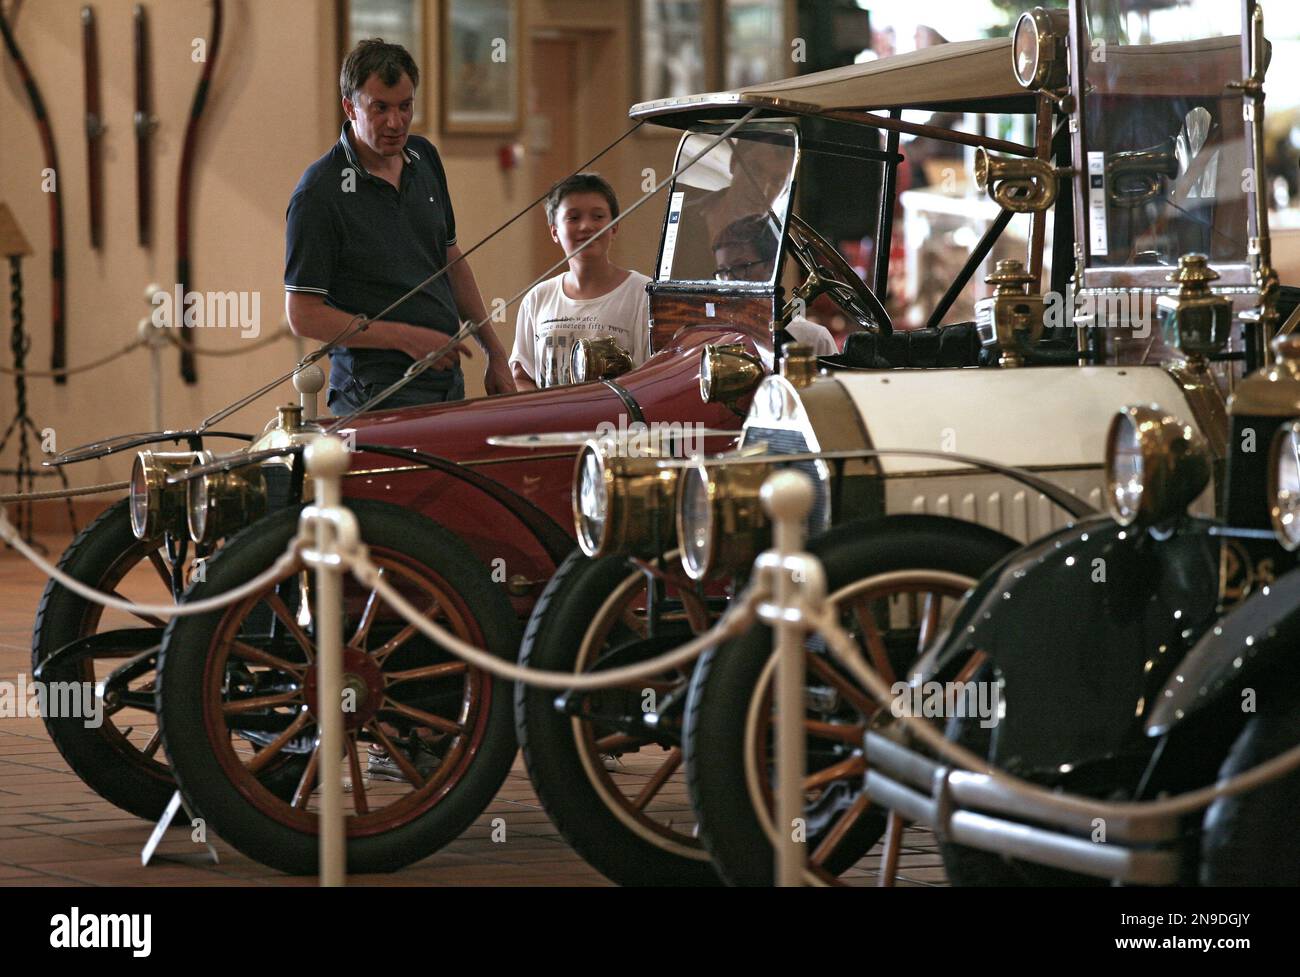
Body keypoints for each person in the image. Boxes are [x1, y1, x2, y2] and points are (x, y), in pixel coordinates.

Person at [284, 38, 514, 415]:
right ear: (350, 108)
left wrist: (495, 352)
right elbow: (303, 313)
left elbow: (450, 259)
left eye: (405, 106)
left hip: (445, 377)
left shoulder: (424, 157)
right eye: (380, 108)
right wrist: (406, 338)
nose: (395, 122)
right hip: (373, 389)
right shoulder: (319, 193)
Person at [510, 173, 650, 390]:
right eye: (573, 218)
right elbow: (522, 376)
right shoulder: (538, 298)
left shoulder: (643, 293)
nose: (586, 227)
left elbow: (652, 377)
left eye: (598, 216)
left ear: (614, 227)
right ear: (554, 231)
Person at [711, 214, 840, 356]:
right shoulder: (717, 340)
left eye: (741, 267)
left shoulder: (813, 338)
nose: (729, 280)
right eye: (722, 271)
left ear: (774, 266)